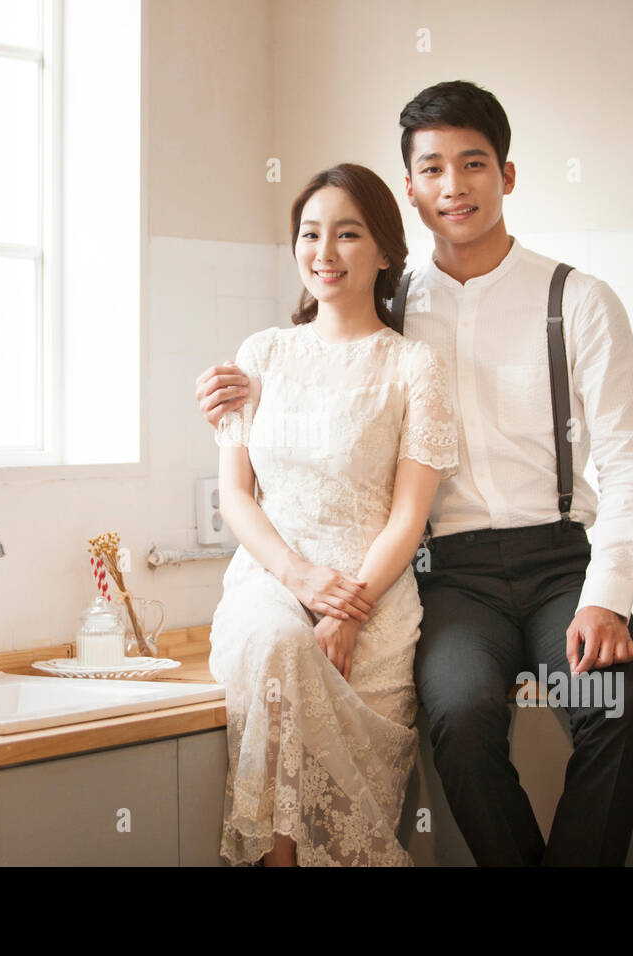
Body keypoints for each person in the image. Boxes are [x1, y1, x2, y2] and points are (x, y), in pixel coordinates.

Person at [196, 81, 633, 866]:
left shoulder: (577, 301)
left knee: (612, 703)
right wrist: (236, 392)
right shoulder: (389, 305)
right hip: (452, 582)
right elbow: (317, 363)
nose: (455, 187)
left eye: (473, 164)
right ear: (408, 189)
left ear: (506, 177)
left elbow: (632, 468)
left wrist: (607, 601)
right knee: (458, 716)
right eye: (433, 169)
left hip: (561, 574)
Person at [206, 162, 459, 866]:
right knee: (282, 647)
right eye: (310, 234)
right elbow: (235, 495)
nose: (324, 253)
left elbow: (409, 516)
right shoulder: (261, 356)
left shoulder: (415, 367)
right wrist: (299, 578)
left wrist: (346, 610)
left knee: (352, 831)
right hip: (269, 583)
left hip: (373, 604)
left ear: (385, 252)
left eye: (347, 235)